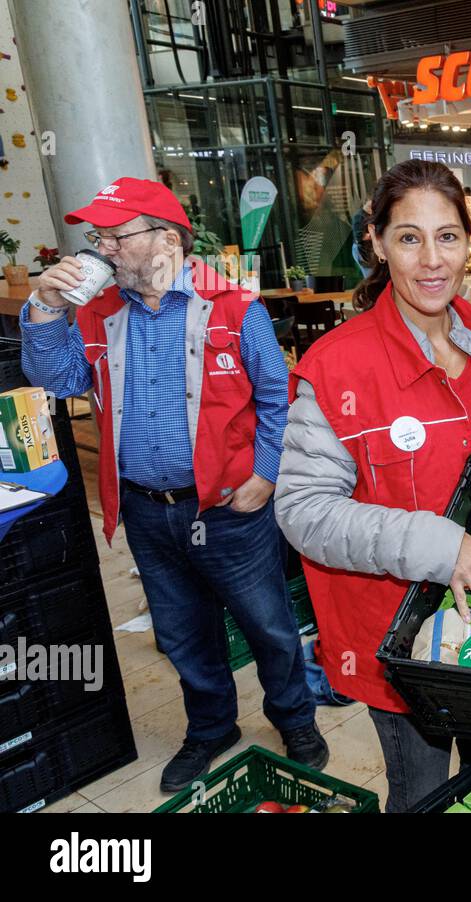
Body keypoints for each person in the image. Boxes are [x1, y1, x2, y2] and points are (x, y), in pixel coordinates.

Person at [20, 177, 326, 792]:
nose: (101, 248)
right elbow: (57, 379)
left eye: (115, 235)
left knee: (267, 625)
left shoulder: (235, 306)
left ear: (165, 240)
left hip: (229, 509)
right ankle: (212, 729)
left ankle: (294, 718)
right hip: (146, 507)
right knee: (184, 633)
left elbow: (278, 401)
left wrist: (265, 478)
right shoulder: (101, 312)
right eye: (97, 236)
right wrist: (46, 310)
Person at [273, 160, 471, 812]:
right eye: (409, 237)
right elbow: (304, 511)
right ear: (376, 239)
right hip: (396, 637)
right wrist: (433, 544)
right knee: (422, 791)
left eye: (448, 236)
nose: (432, 260)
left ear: (470, 243)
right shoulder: (337, 364)